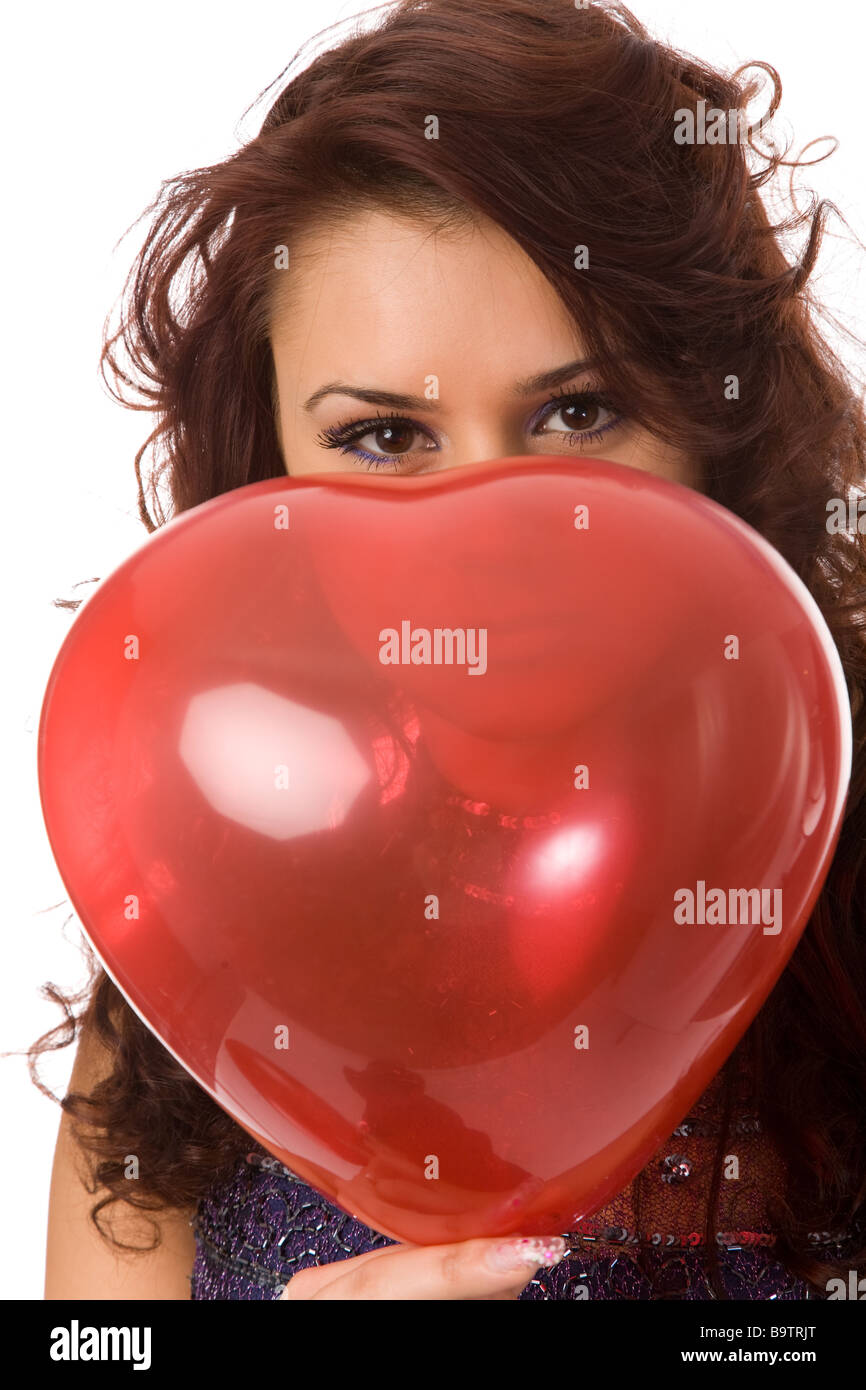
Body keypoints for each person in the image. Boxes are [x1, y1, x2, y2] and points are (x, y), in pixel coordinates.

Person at [36, 0, 866, 1300]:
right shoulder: (192, 960)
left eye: (576, 411)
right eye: (383, 435)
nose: (495, 537)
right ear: (271, 484)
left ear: (717, 430)